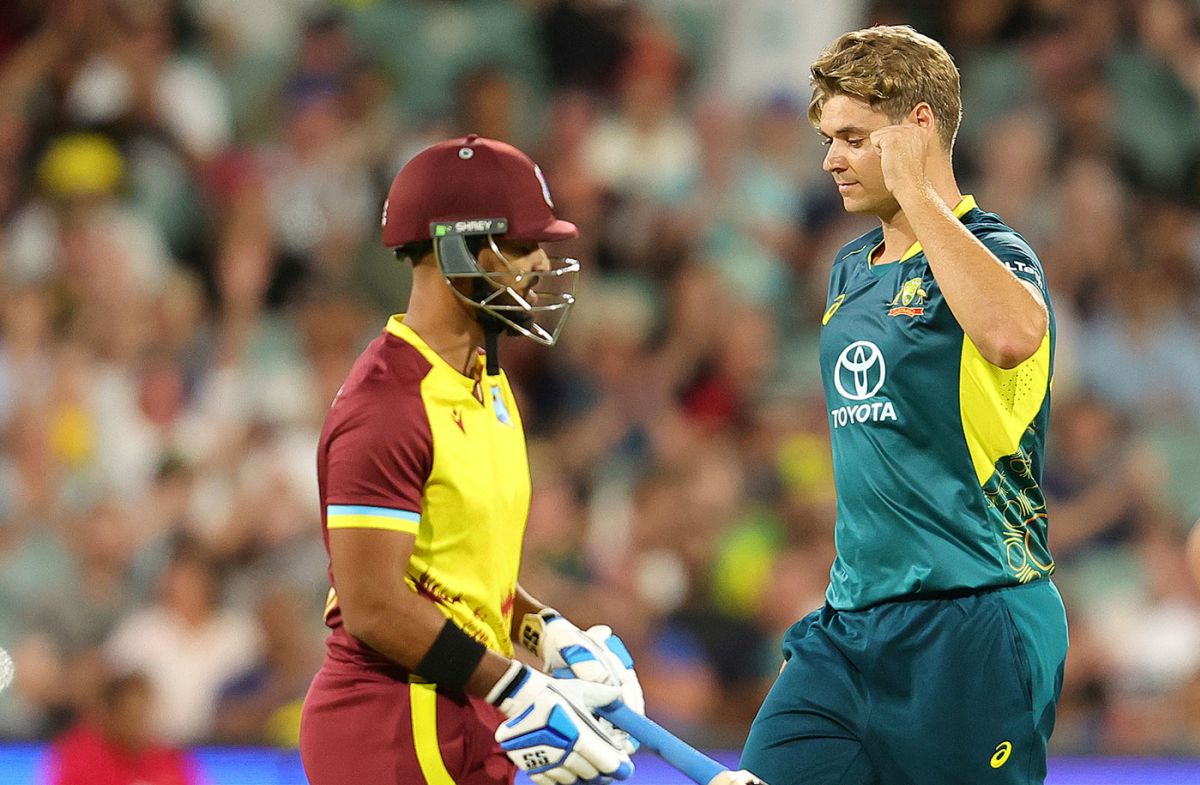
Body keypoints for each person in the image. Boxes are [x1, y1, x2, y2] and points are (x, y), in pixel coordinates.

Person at [739, 26, 1068, 785]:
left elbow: (1015, 335)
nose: (830, 160)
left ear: (918, 127)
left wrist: (919, 195)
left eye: (853, 138)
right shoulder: (848, 268)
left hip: (975, 618)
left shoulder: (998, 251)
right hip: (849, 626)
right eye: (828, 138)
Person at [299, 134, 644, 785]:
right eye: (520, 244)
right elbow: (373, 606)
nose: (541, 261)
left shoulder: (488, 382)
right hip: (393, 724)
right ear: (459, 247)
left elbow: (456, 572)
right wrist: (515, 682)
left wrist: (545, 630)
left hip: (458, 708)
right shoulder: (389, 402)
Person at [48, 670, 202, 785]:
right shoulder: (77, 756)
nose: (140, 723)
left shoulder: (170, 758)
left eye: (145, 712)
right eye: (131, 714)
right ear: (111, 714)